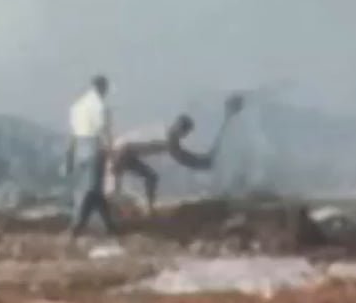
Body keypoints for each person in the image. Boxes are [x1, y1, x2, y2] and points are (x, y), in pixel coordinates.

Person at [108, 95, 246, 212]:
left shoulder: (166, 135)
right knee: (135, 184)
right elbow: (193, 161)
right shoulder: (167, 138)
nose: (184, 136)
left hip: (123, 154)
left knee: (151, 177)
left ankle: (148, 208)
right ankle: (142, 208)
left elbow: (192, 160)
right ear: (181, 129)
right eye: (185, 133)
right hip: (119, 154)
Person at [64, 74, 117, 239]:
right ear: (103, 87)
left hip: (80, 146)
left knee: (90, 189)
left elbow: (72, 134)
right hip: (94, 146)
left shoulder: (77, 106)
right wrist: (111, 154)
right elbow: (104, 132)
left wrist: (69, 156)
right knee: (92, 190)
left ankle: (109, 226)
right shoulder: (100, 106)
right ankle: (76, 227)